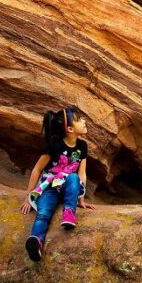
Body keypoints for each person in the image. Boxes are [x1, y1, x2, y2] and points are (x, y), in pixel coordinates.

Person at [20, 106, 96, 262]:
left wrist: (81, 199)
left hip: (69, 187)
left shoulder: (82, 146)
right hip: (50, 187)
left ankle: (69, 213)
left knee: (73, 177)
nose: (84, 121)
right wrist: (28, 196)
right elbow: (37, 169)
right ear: (69, 129)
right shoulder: (54, 145)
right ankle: (36, 240)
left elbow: (82, 173)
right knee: (43, 213)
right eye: (79, 119)